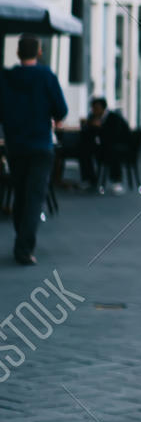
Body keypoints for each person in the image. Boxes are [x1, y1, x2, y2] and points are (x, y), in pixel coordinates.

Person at [0, 36, 68, 266]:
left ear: (18, 54)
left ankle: (21, 240)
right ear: (38, 53)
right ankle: (24, 248)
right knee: (35, 197)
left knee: (20, 194)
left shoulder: (6, 78)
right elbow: (61, 110)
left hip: (15, 146)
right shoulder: (46, 76)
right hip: (40, 145)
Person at [80, 97, 131, 194]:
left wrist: (100, 127)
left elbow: (115, 136)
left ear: (103, 108)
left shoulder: (114, 118)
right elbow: (88, 135)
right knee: (84, 150)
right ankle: (90, 179)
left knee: (112, 151)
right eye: (93, 108)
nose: (95, 111)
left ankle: (116, 181)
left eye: (97, 108)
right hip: (102, 146)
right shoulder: (92, 117)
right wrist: (87, 125)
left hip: (119, 146)